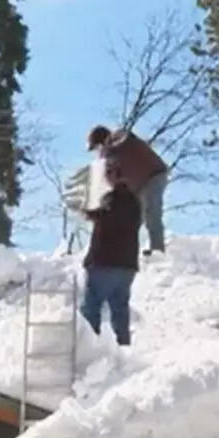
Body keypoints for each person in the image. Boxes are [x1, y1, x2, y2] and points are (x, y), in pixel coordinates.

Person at [81, 161, 142, 346]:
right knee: (120, 309)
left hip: (105, 261)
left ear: (117, 175)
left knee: (92, 308)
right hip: (127, 265)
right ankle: (123, 349)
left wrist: (92, 214)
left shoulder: (112, 199)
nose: (106, 177)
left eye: (109, 172)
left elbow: (109, 221)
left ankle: (90, 349)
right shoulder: (135, 202)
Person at [89, 125, 168, 255]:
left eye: (97, 147)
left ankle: (157, 249)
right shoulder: (111, 154)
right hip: (140, 183)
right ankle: (127, 251)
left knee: (151, 212)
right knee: (133, 217)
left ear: (102, 141)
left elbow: (124, 141)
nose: (98, 151)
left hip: (154, 175)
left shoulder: (119, 140)